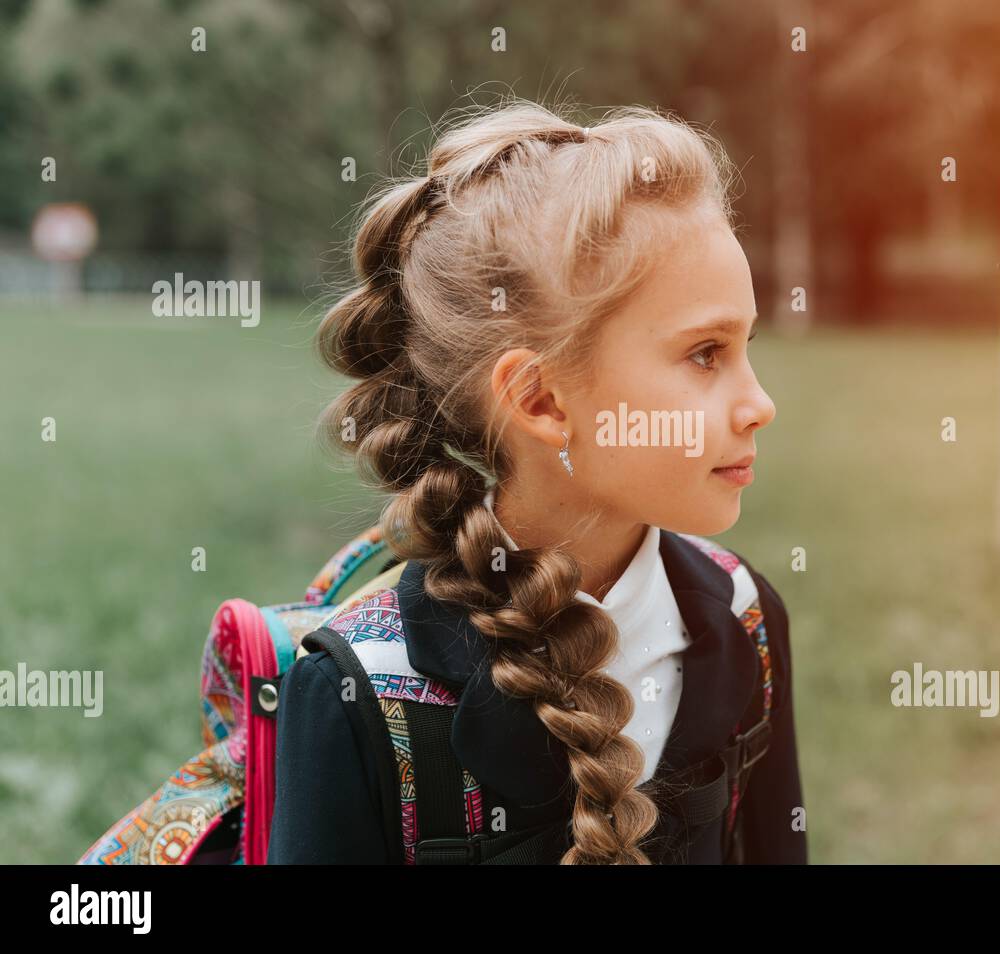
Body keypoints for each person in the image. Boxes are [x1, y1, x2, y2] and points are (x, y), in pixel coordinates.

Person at [267, 97, 806, 865]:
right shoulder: (361, 692)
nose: (760, 404)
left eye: (746, 344)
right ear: (541, 400)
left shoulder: (747, 620)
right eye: (704, 354)